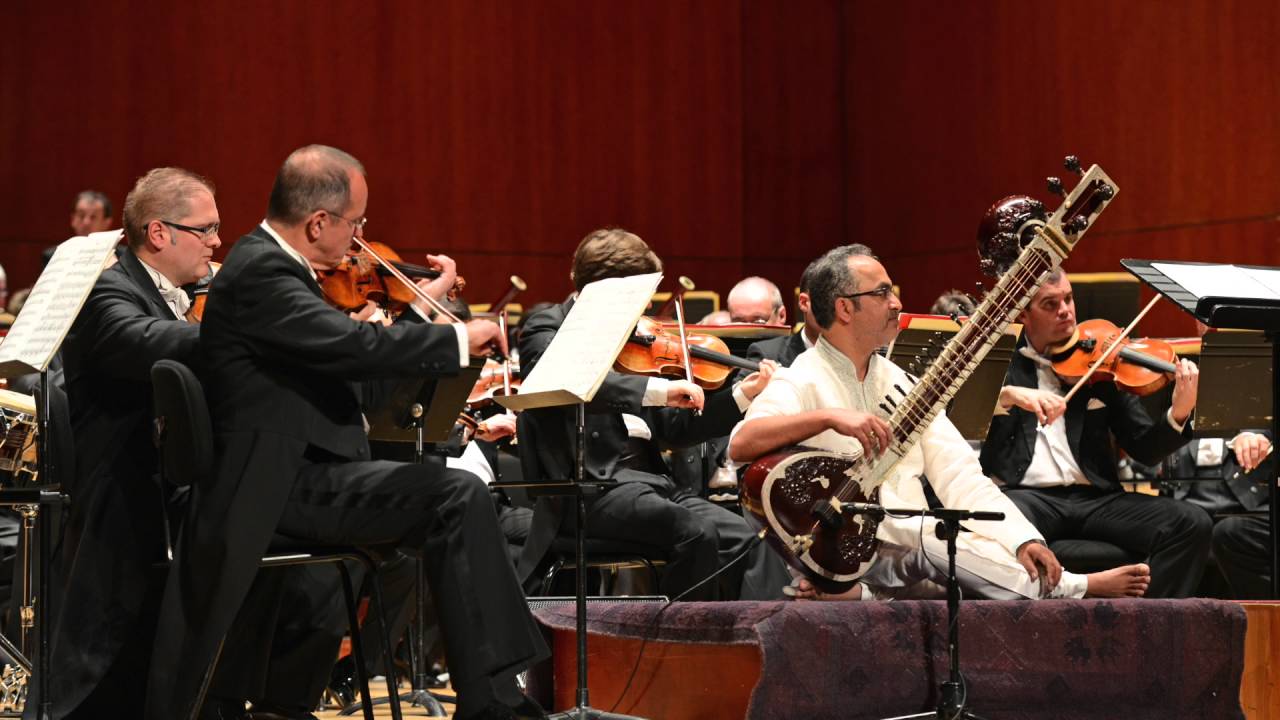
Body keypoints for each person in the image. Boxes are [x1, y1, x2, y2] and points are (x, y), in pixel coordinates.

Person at [146, 145, 547, 720]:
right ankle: (495, 702)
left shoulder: (281, 270)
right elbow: (352, 346)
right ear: (319, 223)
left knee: (450, 491)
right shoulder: (261, 271)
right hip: (273, 487)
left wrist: (419, 316)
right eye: (356, 224)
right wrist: (457, 339)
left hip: (299, 475)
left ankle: (493, 695)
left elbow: (353, 373)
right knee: (455, 496)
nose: (360, 236)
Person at [729, 244, 1151, 601]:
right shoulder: (801, 376)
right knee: (939, 544)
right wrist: (828, 417)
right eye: (882, 293)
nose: (897, 302)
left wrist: (1024, 538)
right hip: (847, 547)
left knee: (957, 539)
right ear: (844, 308)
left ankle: (872, 595)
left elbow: (961, 474)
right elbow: (741, 444)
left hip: (910, 542)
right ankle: (1072, 588)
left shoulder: (904, 384)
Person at [516, 227, 788, 601]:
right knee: (693, 532)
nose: (643, 307)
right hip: (591, 489)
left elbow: (674, 429)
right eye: (638, 295)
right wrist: (658, 390)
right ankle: (677, 648)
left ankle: (753, 645)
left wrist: (742, 394)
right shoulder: (547, 327)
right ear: (607, 289)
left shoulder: (636, 340)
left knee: (753, 539)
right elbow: (566, 381)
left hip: (654, 485)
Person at [33, 168, 217, 718]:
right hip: (119, 494)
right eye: (205, 229)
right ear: (160, 234)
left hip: (157, 483)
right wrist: (242, 331)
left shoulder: (180, 294)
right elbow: (138, 339)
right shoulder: (109, 288)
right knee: (100, 670)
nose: (216, 241)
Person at [979, 268, 1210, 598]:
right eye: (1049, 304)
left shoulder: (1102, 358)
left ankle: (1150, 622)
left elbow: (1144, 447)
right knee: (997, 525)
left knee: (1192, 524)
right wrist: (1010, 396)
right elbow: (961, 418)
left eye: (1068, 299)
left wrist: (1179, 412)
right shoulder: (999, 363)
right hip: (1027, 496)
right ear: (1023, 314)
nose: (1065, 311)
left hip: (1097, 500)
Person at [1164, 430, 1273, 598]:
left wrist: (1254, 434)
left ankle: (1261, 618)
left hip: (1249, 499)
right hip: (1187, 498)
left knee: (1232, 531)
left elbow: (1268, 419)